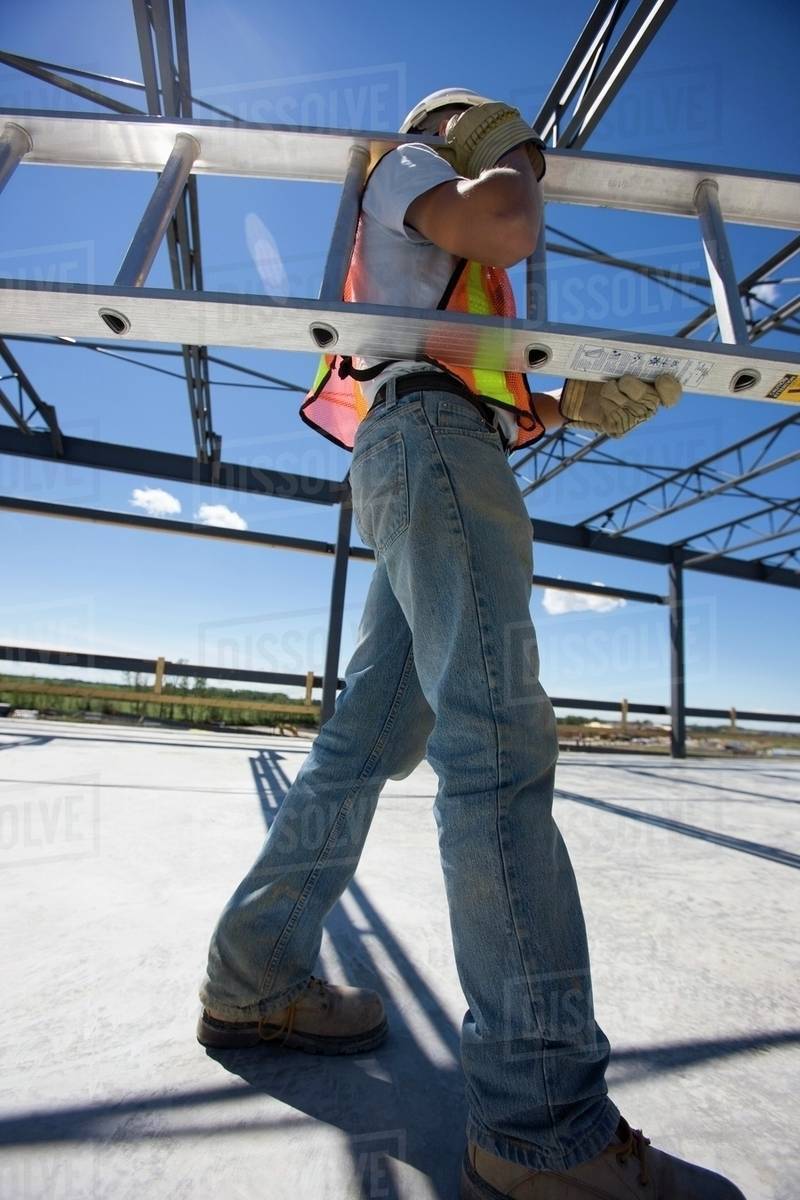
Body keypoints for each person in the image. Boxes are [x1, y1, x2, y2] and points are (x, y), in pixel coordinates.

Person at [197, 89, 745, 1199]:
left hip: (429, 440)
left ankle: (257, 972)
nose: (511, 151)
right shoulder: (408, 167)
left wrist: (567, 403)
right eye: (488, 132)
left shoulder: (438, 263)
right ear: (451, 134)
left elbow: (472, 374)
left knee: (369, 739)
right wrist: (512, 158)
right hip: (434, 451)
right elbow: (505, 222)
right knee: (495, 745)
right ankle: (538, 1122)